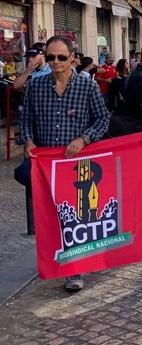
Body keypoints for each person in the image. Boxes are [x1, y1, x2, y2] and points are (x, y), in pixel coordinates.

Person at [19, 35, 109, 291]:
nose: (55, 62)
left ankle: (75, 270)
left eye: (61, 57)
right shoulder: (36, 87)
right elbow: (26, 120)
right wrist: (27, 141)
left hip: (78, 163)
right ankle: (55, 260)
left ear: (72, 57)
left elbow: (102, 120)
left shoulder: (87, 86)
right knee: (52, 216)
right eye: (50, 57)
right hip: (46, 165)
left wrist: (84, 139)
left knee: (77, 217)